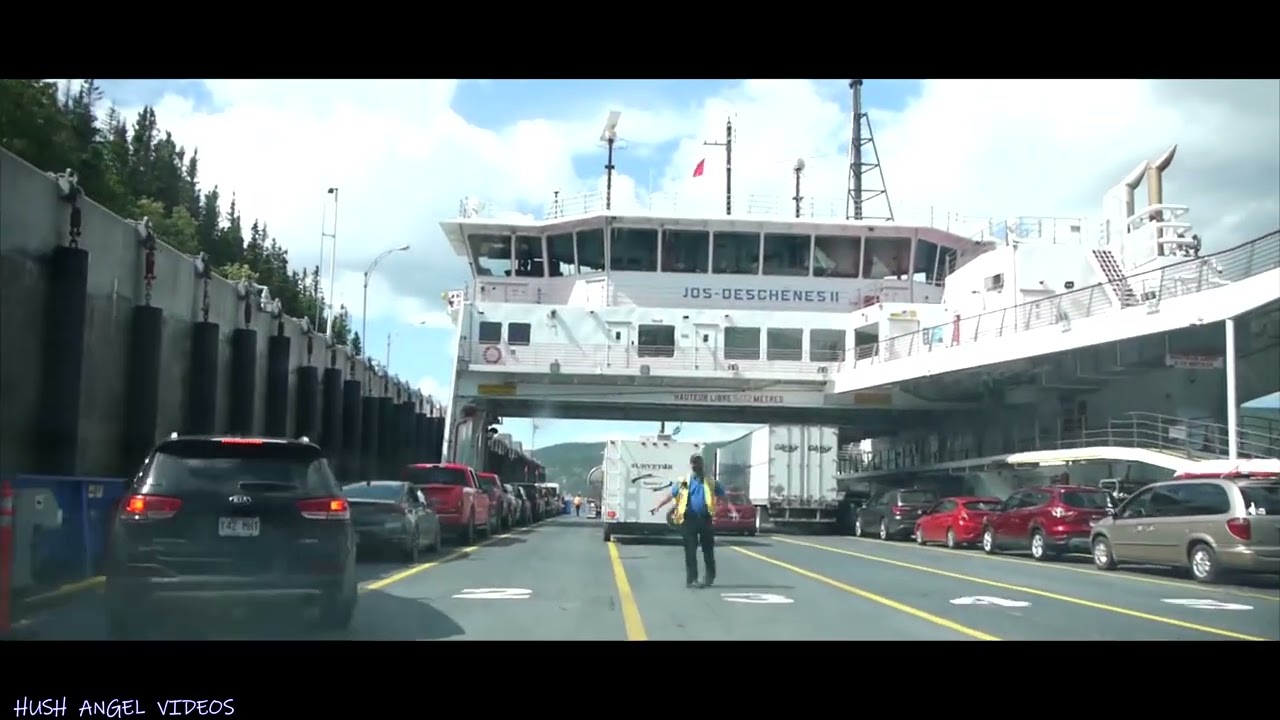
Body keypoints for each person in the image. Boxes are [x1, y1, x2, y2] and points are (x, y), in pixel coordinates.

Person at [650, 453, 725, 588]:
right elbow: (671, 494)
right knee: (690, 550)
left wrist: (721, 507)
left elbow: (722, 494)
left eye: (698, 463)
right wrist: (658, 506)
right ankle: (692, 579)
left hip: (705, 519)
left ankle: (709, 576)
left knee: (708, 550)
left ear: (702, 465)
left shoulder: (710, 482)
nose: (696, 465)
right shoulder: (685, 482)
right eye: (693, 463)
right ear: (691, 465)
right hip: (689, 520)